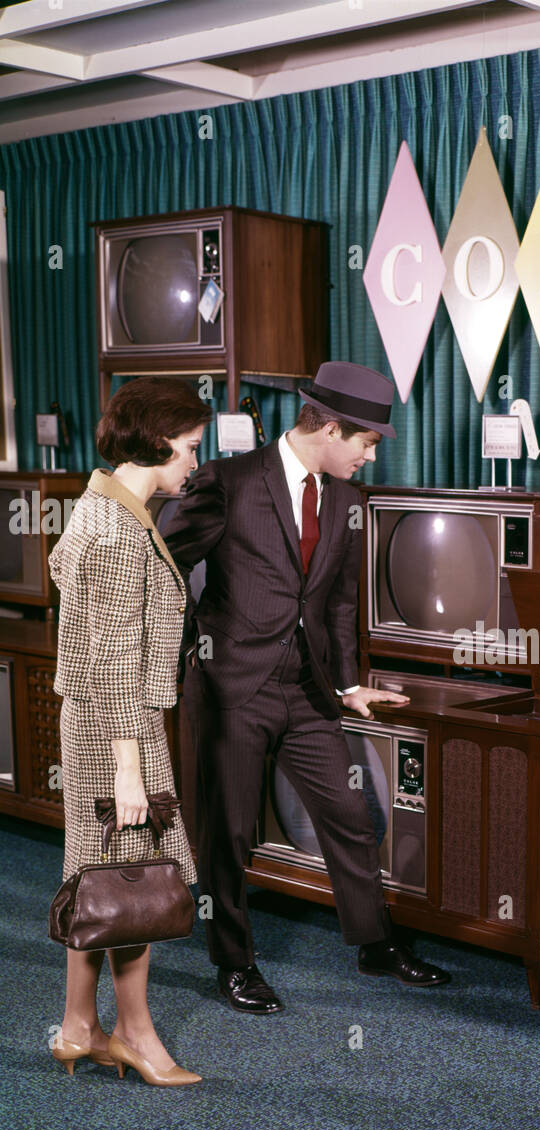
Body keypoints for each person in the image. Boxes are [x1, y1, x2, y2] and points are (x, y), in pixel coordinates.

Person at [160, 361, 450, 1013]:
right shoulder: (228, 482)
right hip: (231, 687)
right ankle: (233, 963)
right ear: (330, 426)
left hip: (308, 692)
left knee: (350, 818)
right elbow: (164, 563)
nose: (371, 455)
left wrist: (347, 685)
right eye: (368, 441)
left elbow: (339, 606)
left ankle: (375, 945)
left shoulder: (347, 501)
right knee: (228, 832)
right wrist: (184, 650)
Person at [48, 377, 211, 1087]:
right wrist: (128, 768)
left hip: (90, 715)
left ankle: (79, 1025)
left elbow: (58, 569)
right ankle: (136, 1036)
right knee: (133, 880)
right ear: (156, 441)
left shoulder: (101, 502)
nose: (194, 465)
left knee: (95, 875)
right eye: (189, 449)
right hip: (119, 724)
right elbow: (115, 659)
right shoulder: (119, 532)